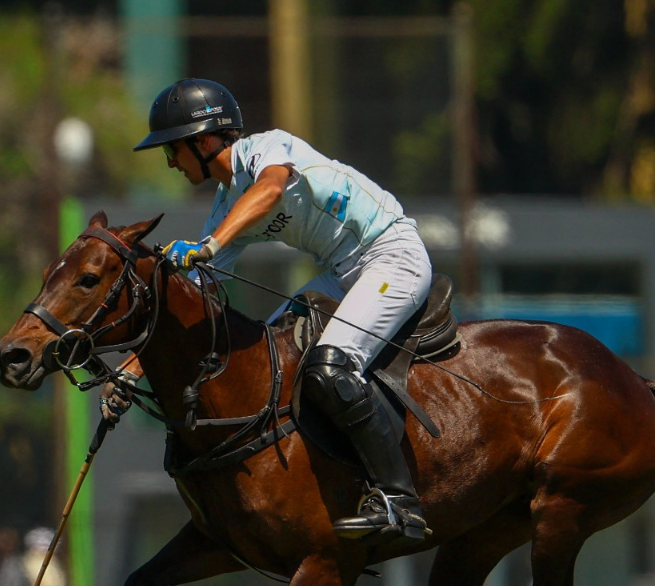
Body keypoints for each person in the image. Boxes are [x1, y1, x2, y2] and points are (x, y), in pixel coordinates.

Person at [102, 78, 431, 544]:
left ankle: (400, 501)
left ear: (204, 141)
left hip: (392, 254)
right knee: (272, 355)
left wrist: (209, 245)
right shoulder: (222, 208)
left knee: (330, 363)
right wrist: (132, 369)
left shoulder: (267, 149)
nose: (171, 162)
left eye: (172, 149)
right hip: (342, 272)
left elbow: (272, 190)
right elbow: (201, 297)